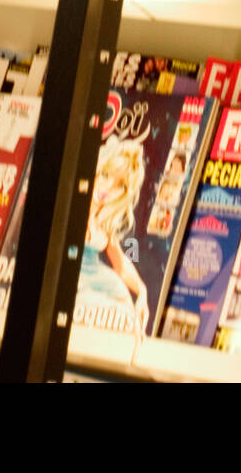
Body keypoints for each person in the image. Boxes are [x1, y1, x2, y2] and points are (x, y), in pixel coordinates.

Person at [79, 135, 150, 335]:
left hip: (101, 281)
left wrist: (142, 291)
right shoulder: (70, 207)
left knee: (129, 319)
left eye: (119, 185)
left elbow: (121, 265)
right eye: (106, 175)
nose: (108, 188)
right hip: (74, 286)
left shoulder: (105, 222)